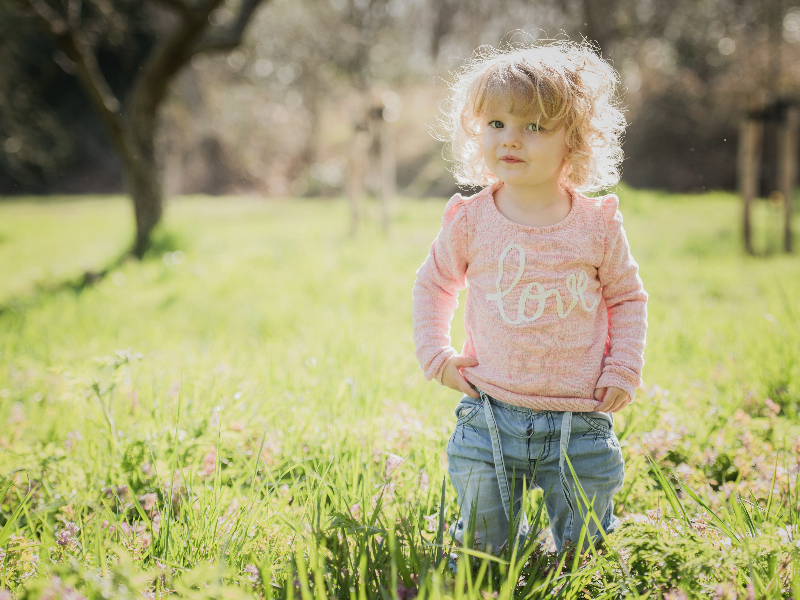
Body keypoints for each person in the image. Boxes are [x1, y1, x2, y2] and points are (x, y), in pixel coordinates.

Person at [412, 40, 648, 560]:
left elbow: (627, 299)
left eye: (533, 126)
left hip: (580, 421)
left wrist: (623, 367)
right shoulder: (472, 220)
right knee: (480, 552)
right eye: (496, 124)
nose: (510, 139)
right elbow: (434, 284)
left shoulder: (597, 225)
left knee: (585, 553)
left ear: (576, 140)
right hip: (490, 414)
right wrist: (436, 356)